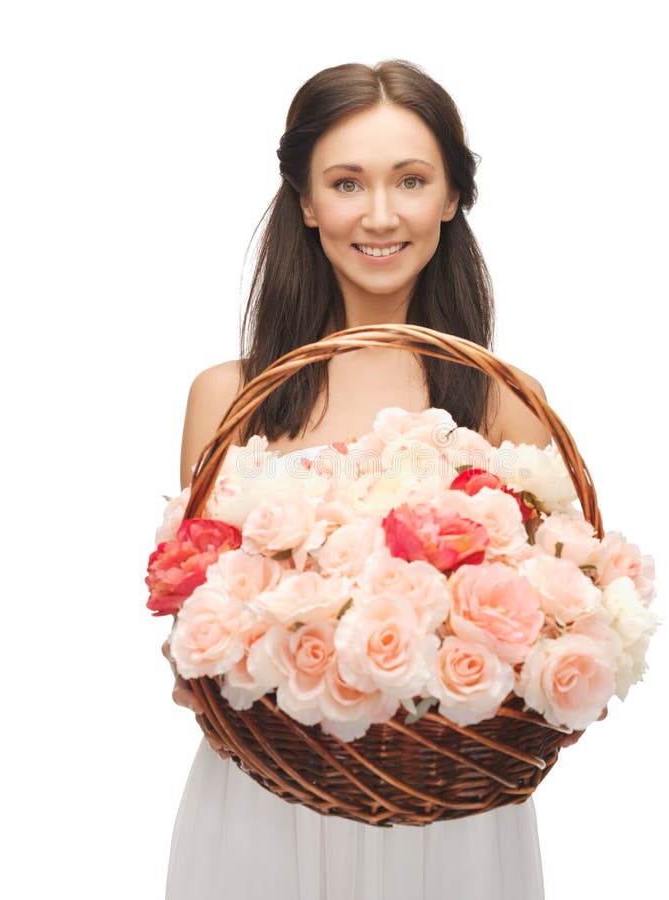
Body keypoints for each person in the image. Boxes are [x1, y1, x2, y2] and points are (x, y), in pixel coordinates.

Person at [163, 58, 557, 900]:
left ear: (452, 196)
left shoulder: (502, 403)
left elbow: (552, 617)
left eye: (410, 180)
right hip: (269, 799)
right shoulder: (228, 398)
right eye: (346, 182)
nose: (380, 214)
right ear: (305, 202)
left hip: (446, 799)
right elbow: (193, 609)